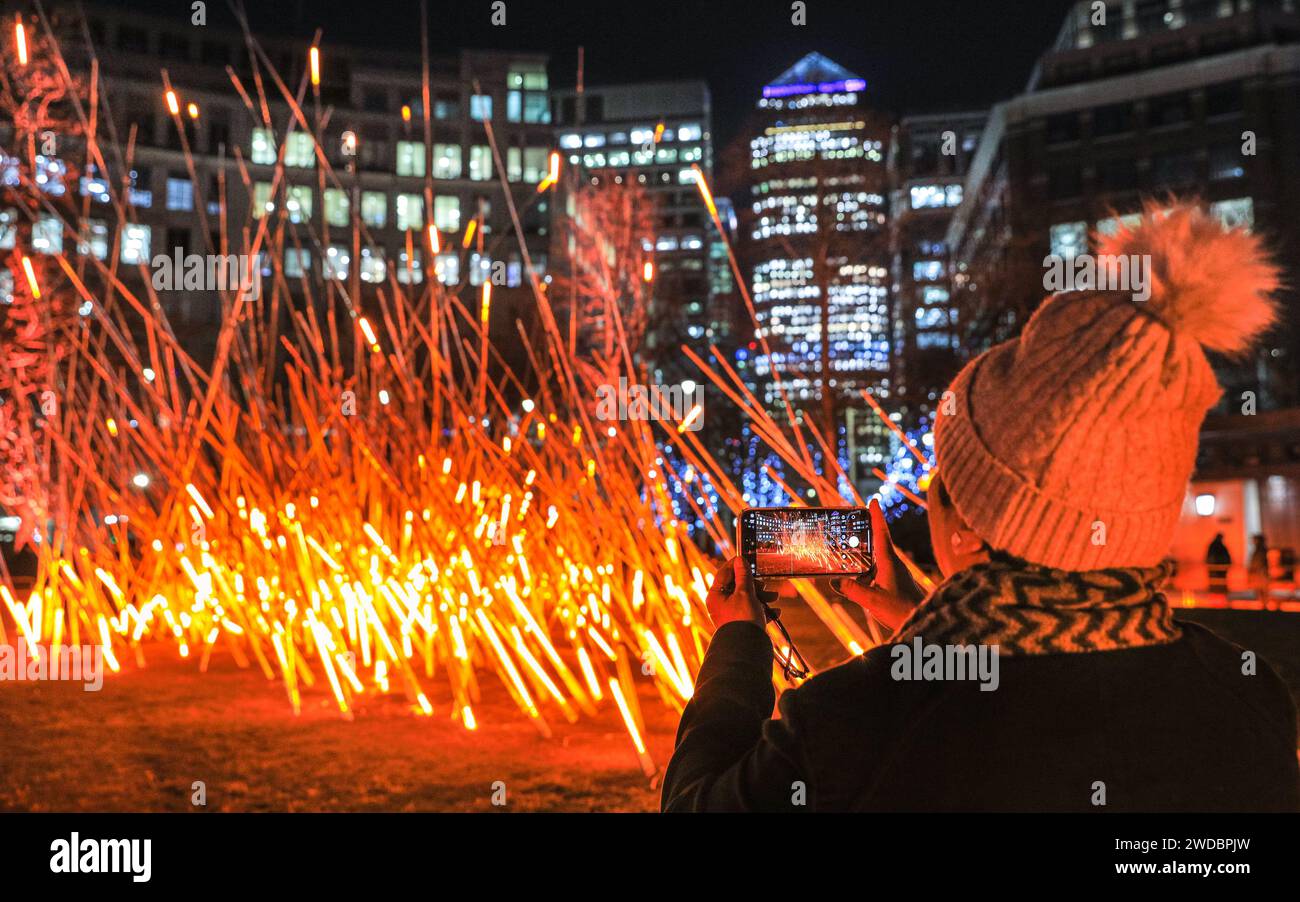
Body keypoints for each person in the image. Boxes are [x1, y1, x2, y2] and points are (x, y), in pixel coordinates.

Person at [661, 206, 1300, 812]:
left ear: (966, 524)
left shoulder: (855, 719)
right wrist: (921, 624)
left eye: (942, 483)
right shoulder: (1249, 694)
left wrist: (736, 645)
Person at [1248, 533, 1272, 609]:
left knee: (1262, 589)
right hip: (1260, 573)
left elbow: (1258, 562)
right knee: (1260, 589)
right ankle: (1263, 604)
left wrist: (1252, 570)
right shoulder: (1260, 549)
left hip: (1260, 573)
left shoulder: (1260, 550)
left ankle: (1264, 604)